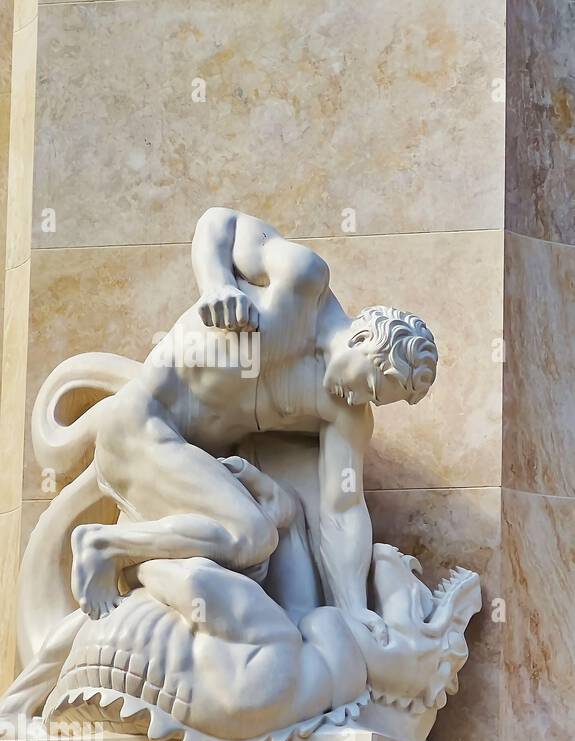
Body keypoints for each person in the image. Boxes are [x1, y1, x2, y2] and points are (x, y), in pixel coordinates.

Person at [36, 208, 437, 646]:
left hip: (190, 464)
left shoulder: (344, 412)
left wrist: (352, 607)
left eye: (377, 400)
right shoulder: (302, 284)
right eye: (372, 385)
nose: (363, 400)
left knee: (265, 541)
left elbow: (342, 509)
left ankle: (136, 579)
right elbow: (218, 221)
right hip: (142, 425)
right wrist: (216, 284)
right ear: (362, 342)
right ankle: (103, 547)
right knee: (252, 534)